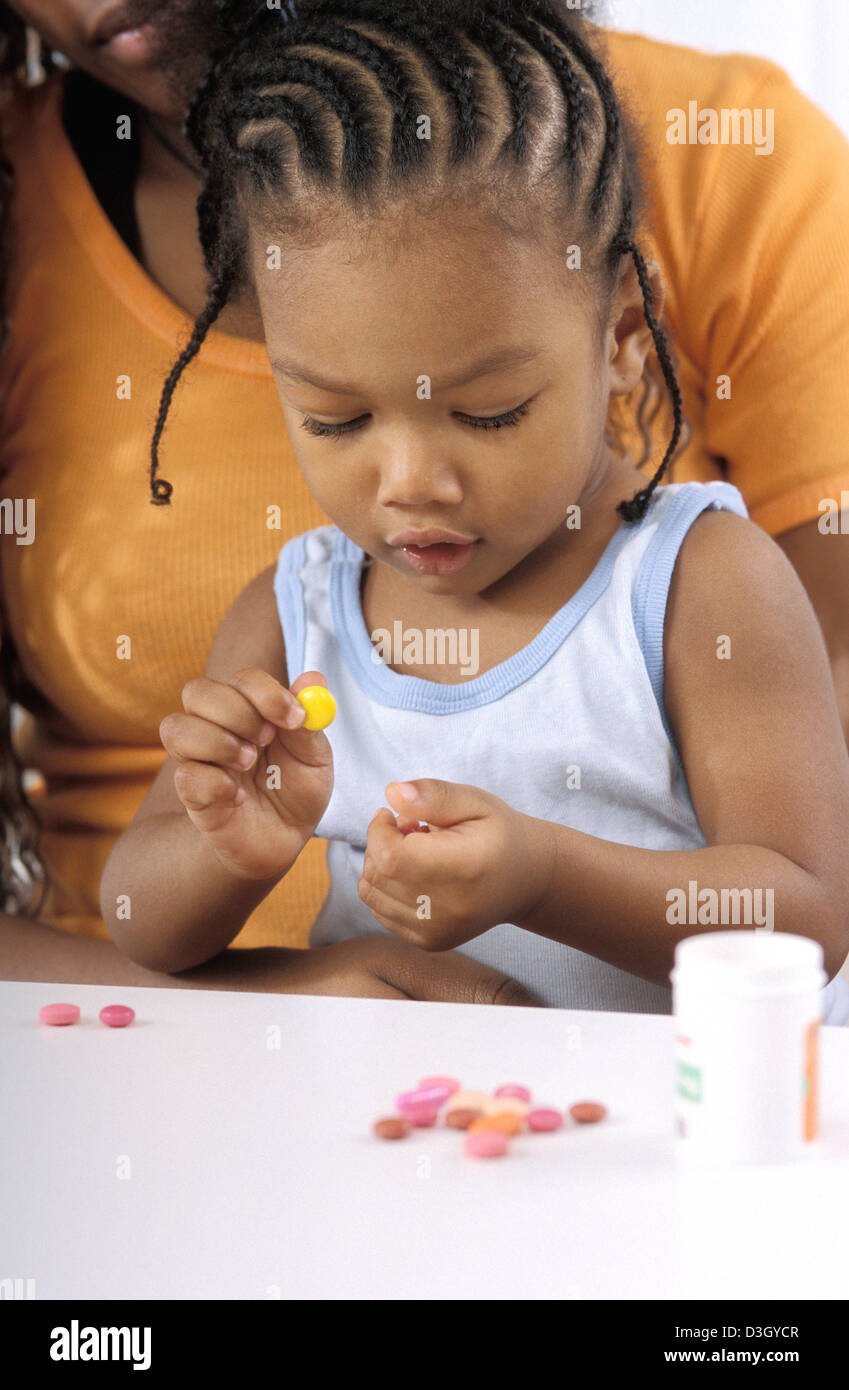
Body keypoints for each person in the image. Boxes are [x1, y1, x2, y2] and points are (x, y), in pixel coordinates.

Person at [2, 1, 849, 1005]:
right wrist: (230, 845)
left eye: (488, 413)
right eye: (335, 421)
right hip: (392, 1135)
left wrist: (542, 876)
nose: (411, 483)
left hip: (657, 1139)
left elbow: (806, 911)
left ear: (622, 334)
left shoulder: (700, 584)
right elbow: (138, 920)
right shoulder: (298, 611)